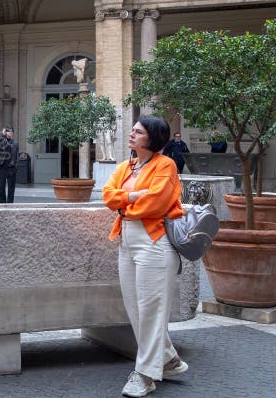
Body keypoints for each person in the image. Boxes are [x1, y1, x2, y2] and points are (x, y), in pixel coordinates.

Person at [102, 116, 188, 397]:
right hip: (127, 240)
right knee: (135, 309)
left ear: (152, 138)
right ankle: (168, 358)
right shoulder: (126, 166)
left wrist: (125, 202)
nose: (132, 134)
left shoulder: (166, 165)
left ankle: (145, 375)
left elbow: (157, 202)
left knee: (151, 310)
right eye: (133, 130)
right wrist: (133, 197)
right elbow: (107, 195)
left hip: (155, 242)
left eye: (138, 131)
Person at [0, 125, 19, 203]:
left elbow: (15, 154)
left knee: (11, 186)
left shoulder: (15, 143)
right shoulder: (2, 141)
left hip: (11, 167)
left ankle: (10, 202)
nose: (10, 133)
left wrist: (14, 164)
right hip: (3, 166)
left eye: (12, 132)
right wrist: (2, 135)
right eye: (9, 131)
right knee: (1, 185)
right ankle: (1, 201)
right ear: (6, 132)